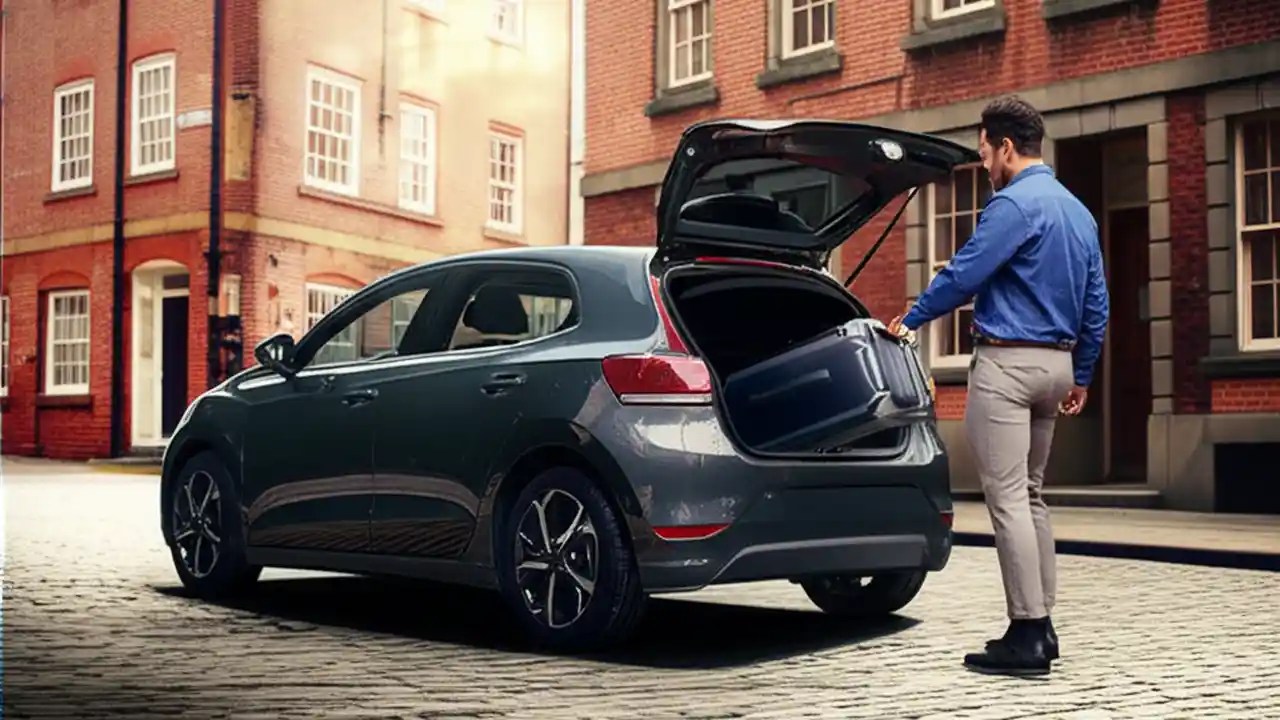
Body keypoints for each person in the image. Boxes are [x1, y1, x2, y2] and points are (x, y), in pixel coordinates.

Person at [887, 95, 1110, 677]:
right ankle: (1045, 626)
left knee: (1008, 498)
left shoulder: (1012, 205)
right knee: (1031, 495)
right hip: (1058, 366)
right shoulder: (1078, 212)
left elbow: (965, 273)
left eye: (985, 153)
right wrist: (1082, 374)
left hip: (1008, 368)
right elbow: (1097, 304)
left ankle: (1027, 634)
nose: (984, 165)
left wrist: (912, 318)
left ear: (1007, 148)